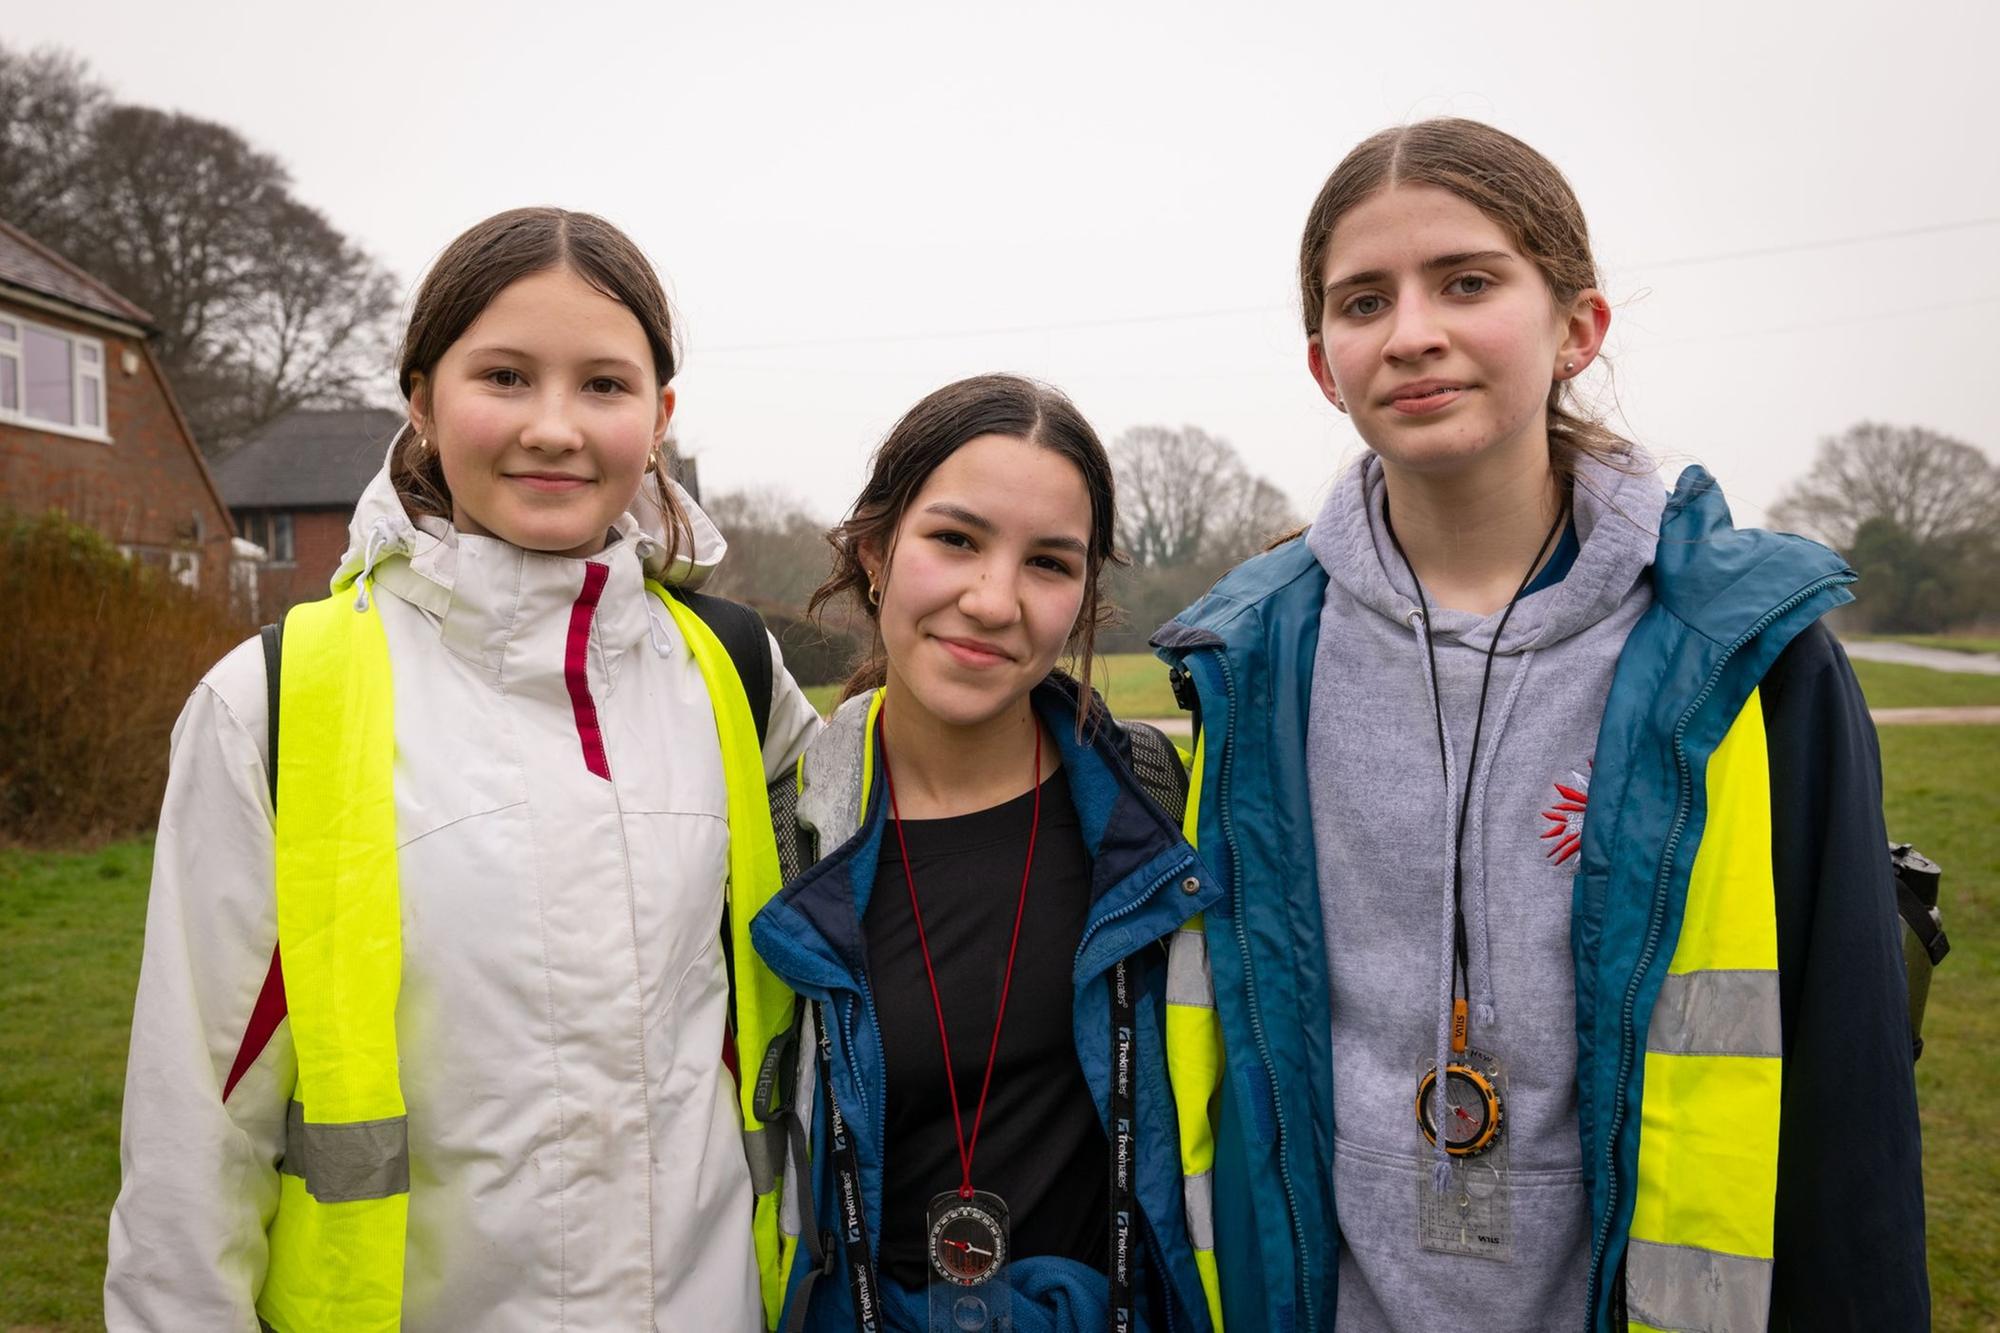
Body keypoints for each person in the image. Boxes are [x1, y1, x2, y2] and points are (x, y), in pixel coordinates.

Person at [1152, 120, 1929, 1332]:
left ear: (1577, 327)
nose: (1411, 331)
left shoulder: (1749, 661)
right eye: (1363, 300)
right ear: (1322, 363)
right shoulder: (1248, 662)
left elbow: (1851, 1099)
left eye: (1465, 281)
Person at [105, 207, 821, 1331]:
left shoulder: (730, 671)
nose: (553, 427)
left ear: (660, 417)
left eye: (602, 385)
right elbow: (192, 1135)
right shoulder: (273, 700)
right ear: (423, 402)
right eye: (503, 375)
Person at [748, 374, 1222, 1332]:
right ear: (875, 551)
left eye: (1049, 563)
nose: (993, 599)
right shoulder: (783, 830)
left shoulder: (1162, 807)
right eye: (955, 540)